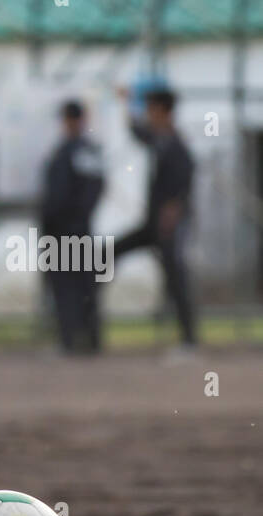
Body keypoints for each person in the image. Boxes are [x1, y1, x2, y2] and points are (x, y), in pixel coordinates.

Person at [115, 87, 197, 348]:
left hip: (169, 225)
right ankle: (85, 327)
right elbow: (136, 131)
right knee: (108, 254)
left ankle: (189, 340)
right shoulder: (159, 139)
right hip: (152, 224)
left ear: (162, 110)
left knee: (176, 277)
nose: (147, 114)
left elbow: (185, 180)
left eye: (150, 109)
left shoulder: (176, 144)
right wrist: (126, 103)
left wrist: (173, 210)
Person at [41, 100, 105, 354]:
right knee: (68, 286)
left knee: (76, 286)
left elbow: (93, 188)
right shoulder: (68, 149)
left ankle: (84, 340)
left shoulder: (81, 150)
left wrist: (76, 216)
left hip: (73, 229)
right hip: (62, 229)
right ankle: (74, 339)